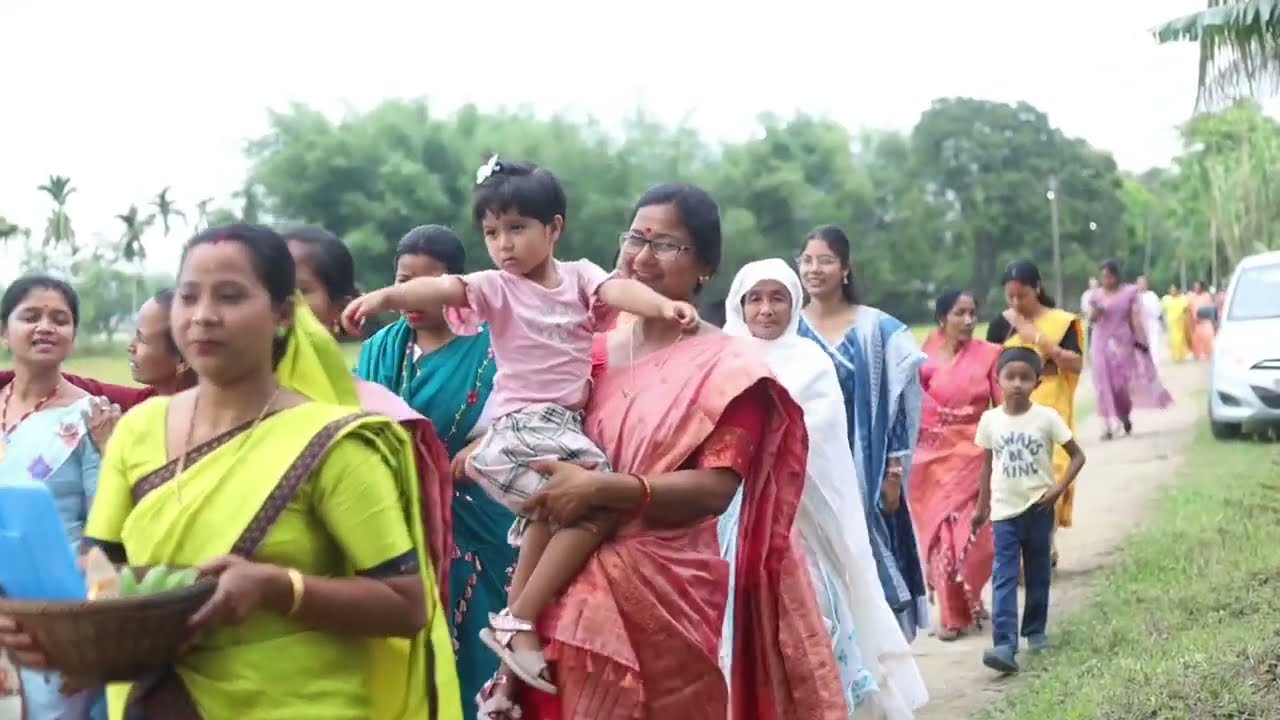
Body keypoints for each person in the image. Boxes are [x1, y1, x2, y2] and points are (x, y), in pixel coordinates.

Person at [0, 224, 461, 720]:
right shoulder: (137, 429)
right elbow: (101, 574)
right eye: (188, 296)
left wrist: (276, 587)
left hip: (297, 705)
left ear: (283, 314)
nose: (203, 316)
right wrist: (55, 631)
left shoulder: (335, 442)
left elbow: (406, 603)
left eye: (230, 296)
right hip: (150, 703)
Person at [342, 157, 699, 695]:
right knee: (597, 501)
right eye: (491, 233)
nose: (503, 244)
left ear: (553, 228)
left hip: (560, 426)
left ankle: (514, 628)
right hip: (522, 427)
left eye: (516, 229)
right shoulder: (495, 287)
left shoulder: (580, 277)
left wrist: (662, 306)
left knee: (550, 516)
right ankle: (520, 620)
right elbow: (440, 290)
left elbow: (619, 292)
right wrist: (387, 297)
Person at [493, 182, 845, 720]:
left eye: (665, 245)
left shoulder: (731, 369)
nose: (641, 256)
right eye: (635, 238)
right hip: (557, 583)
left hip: (663, 594)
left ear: (704, 263)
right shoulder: (584, 348)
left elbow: (716, 489)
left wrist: (601, 489)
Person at [723, 259, 928, 719]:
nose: (766, 309)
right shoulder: (720, 358)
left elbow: (818, 437)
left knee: (814, 614)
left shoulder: (810, 361)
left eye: (777, 297)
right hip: (729, 522)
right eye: (755, 298)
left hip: (802, 522)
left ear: (794, 303)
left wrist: (767, 442)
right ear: (739, 304)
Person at [355, 224, 517, 720]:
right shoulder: (381, 347)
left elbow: (513, 426)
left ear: (453, 283)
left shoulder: (494, 349)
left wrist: (449, 468)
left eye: (424, 283)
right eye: (401, 280)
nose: (409, 295)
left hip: (472, 516)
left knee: (472, 648)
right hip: (392, 512)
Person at [284, 225, 455, 603]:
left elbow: (401, 597)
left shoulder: (383, 423)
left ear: (340, 305)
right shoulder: (183, 419)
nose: (277, 305)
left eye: (298, 291)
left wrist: (279, 590)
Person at [795, 224, 929, 642]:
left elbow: (903, 402)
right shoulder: (788, 330)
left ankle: (883, 665)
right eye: (807, 259)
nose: (814, 269)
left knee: (871, 568)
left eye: (826, 260)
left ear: (846, 269)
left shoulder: (878, 330)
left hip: (867, 475)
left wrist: (893, 472)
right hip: (808, 478)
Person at [0, 275, 107, 720]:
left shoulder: (92, 415)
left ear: (73, 336)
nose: (46, 327)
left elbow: (103, 523)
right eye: (31, 316)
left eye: (59, 319)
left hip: (54, 611)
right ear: (4, 331)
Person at [972, 347, 1086, 674]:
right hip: (1004, 513)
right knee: (1004, 577)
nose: (1017, 384)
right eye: (1011, 377)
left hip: (1039, 509)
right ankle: (1004, 644)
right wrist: (981, 508)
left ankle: (1035, 631)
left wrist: (1058, 489)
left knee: (1038, 574)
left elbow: (1078, 455)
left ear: (1037, 381)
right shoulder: (990, 421)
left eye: (1025, 378)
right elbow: (986, 467)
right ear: (999, 380)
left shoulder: (1046, 417)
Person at [910, 290, 1001, 641]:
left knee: (979, 540)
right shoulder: (921, 357)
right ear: (941, 318)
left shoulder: (990, 355)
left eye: (972, 312)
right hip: (931, 462)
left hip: (977, 456)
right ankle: (952, 615)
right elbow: (911, 406)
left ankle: (971, 598)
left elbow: (1002, 406)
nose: (968, 320)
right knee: (942, 539)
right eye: (959, 313)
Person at [984, 260, 1084, 568]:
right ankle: (1026, 553)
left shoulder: (1063, 322)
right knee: (1018, 476)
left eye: (1022, 295)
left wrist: (1038, 339)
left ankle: (1043, 544)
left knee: (1051, 474)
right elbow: (988, 368)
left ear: (1037, 289)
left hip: (1052, 402)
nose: (1016, 303)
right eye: (1010, 296)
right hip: (1012, 409)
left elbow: (1076, 364)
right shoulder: (1001, 324)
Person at [1088, 261, 1173, 440]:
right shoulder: (1096, 296)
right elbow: (1092, 319)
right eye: (1103, 277)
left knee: (1121, 386)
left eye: (1109, 277)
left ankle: (1124, 416)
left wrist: (1142, 342)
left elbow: (1134, 318)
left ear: (1117, 276)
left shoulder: (1130, 293)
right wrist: (1098, 310)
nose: (1106, 280)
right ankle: (1108, 426)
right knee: (1103, 384)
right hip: (1101, 344)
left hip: (1122, 344)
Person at [1136, 275, 1166, 364]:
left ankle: (1154, 367)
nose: (1141, 285)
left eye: (1143, 283)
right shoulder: (1135, 296)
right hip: (1140, 326)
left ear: (1147, 284)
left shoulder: (1152, 296)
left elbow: (1158, 311)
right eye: (1139, 283)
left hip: (1152, 324)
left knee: (1154, 347)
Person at [1160, 284, 1192, 363]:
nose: (1172, 291)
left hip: (1180, 323)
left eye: (1174, 289)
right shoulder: (1166, 299)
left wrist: (1186, 318)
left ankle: (1180, 355)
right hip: (1171, 323)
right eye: (1171, 289)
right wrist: (1163, 320)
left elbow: (1186, 309)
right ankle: (1175, 356)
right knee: (1173, 340)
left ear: (1177, 290)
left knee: (1180, 339)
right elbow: (1162, 310)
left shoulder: (1182, 298)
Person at [1187, 280, 1217, 360]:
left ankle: (1209, 355)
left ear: (1201, 287)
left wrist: (1213, 322)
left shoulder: (1207, 296)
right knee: (1197, 342)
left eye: (1198, 286)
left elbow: (1211, 309)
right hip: (1196, 323)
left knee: (1208, 338)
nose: (1196, 288)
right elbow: (1189, 311)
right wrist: (1191, 322)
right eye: (1195, 286)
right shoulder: (1191, 296)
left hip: (1206, 322)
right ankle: (1198, 355)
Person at [1079, 276, 1099, 350]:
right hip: (1087, 320)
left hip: (1098, 322)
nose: (1093, 285)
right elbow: (1083, 307)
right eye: (1091, 283)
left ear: (1097, 284)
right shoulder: (1085, 294)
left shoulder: (1101, 293)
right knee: (1087, 341)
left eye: (1094, 283)